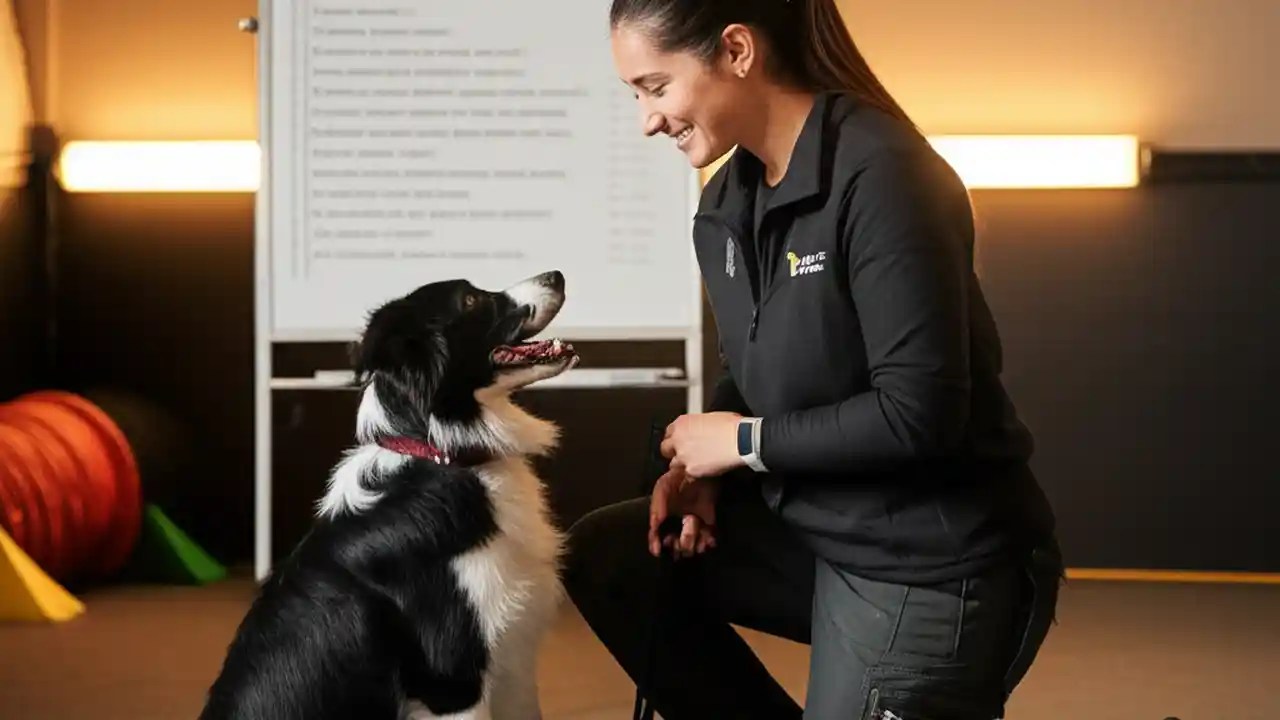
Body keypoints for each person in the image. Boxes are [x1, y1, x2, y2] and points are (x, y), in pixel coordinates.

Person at [563, 0, 1064, 718]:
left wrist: (738, 443)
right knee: (612, 559)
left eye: (655, 87)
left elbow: (919, 416)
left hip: (930, 562)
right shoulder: (726, 207)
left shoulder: (884, 175)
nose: (648, 119)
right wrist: (703, 473)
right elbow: (770, 373)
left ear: (737, 50)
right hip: (820, 532)